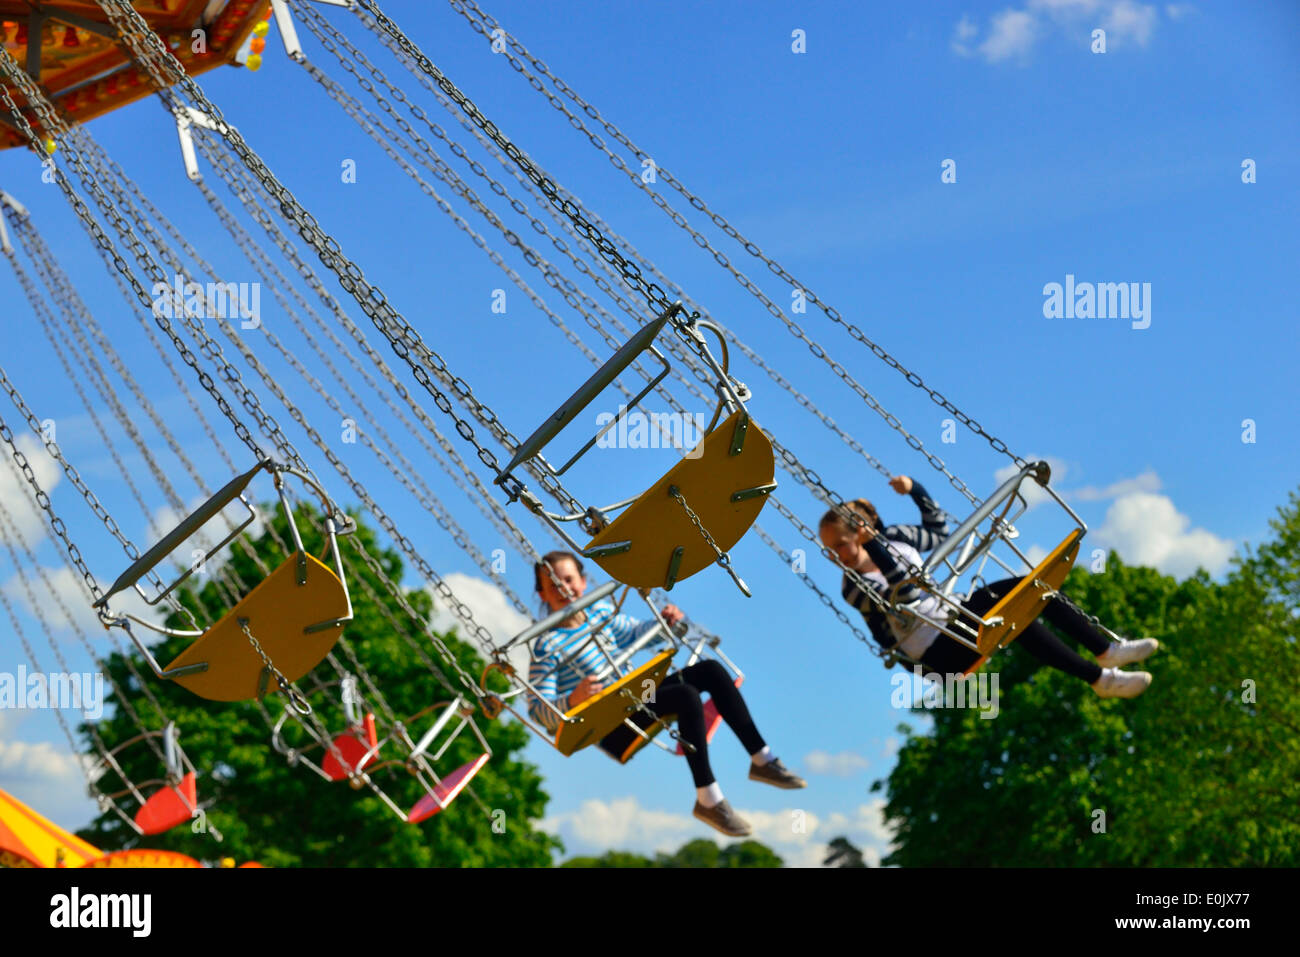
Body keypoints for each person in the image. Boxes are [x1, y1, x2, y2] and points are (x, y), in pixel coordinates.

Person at [527, 550, 806, 837]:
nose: (563, 588)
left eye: (569, 579)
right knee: (685, 695)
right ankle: (708, 799)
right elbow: (537, 709)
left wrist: (665, 623)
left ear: (583, 582)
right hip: (612, 727)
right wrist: (573, 699)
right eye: (553, 585)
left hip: (635, 701)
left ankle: (763, 759)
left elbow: (637, 633)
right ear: (543, 594)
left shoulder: (601, 615)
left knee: (710, 669)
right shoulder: (546, 644)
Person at [818, 475, 1157, 697]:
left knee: (1030, 591)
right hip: (938, 651)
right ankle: (1102, 677)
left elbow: (937, 530)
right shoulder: (854, 587)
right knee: (1008, 613)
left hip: (955, 616)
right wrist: (874, 547)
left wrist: (915, 490)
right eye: (831, 550)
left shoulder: (896, 539)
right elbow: (905, 594)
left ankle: (1105, 656)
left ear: (862, 532)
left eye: (842, 545)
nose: (837, 556)